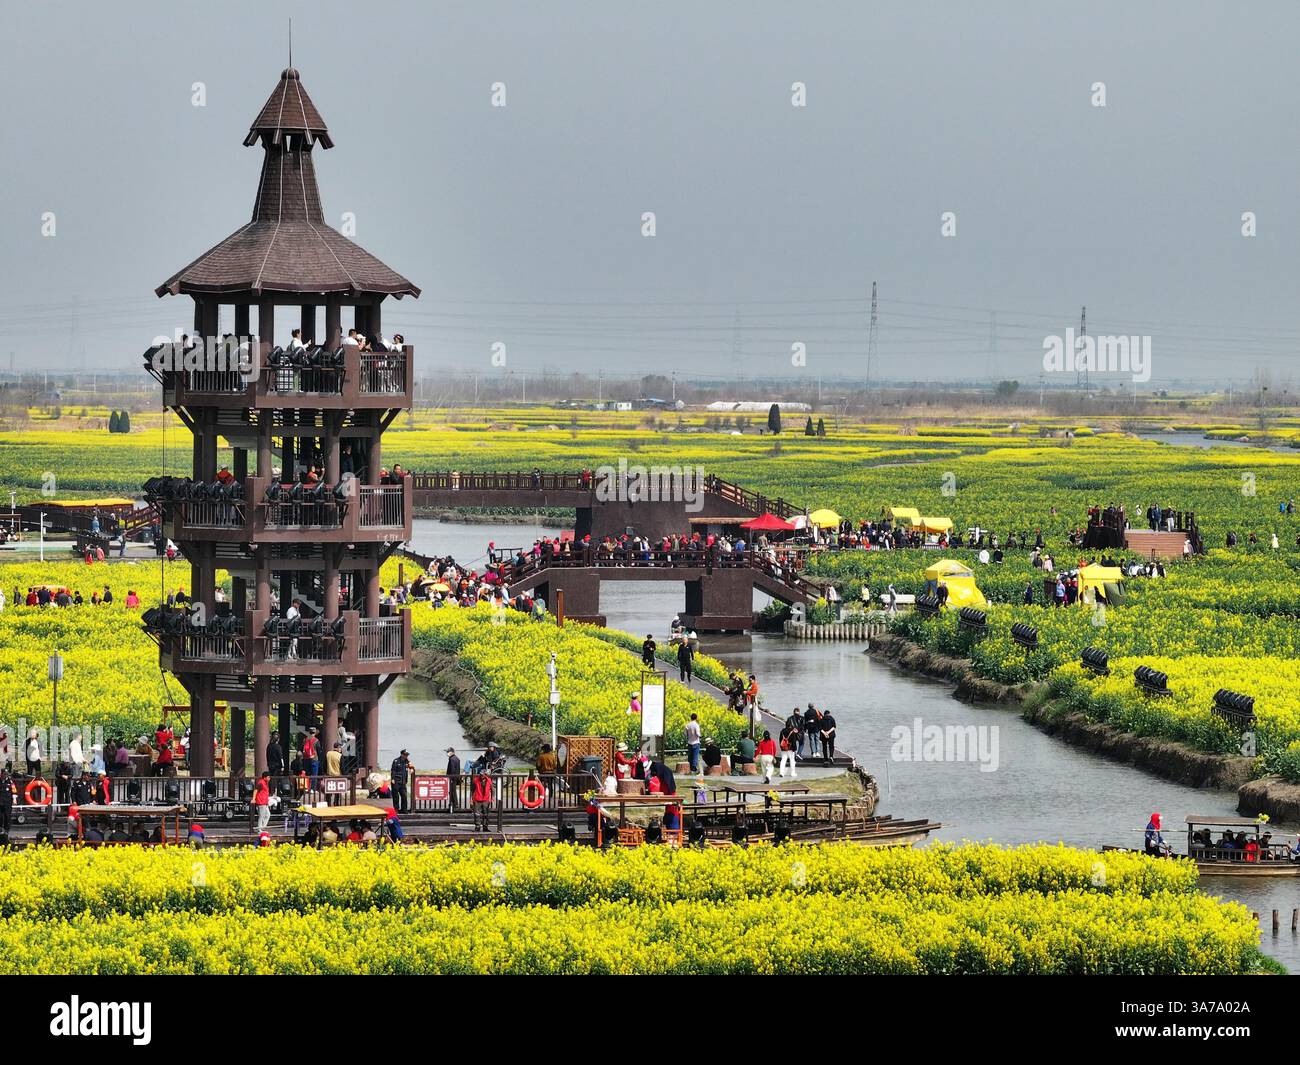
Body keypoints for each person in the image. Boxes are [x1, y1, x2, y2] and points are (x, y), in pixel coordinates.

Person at [390, 749, 411, 813]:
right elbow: (393, 770)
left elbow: (410, 768)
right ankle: (396, 809)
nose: (406, 756)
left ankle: (404, 809)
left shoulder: (407, 762)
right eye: (405, 755)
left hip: (403, 781)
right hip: (396, 781)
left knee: (404, 796)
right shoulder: (396, 761)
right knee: (396, 796)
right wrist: (392, 779)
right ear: (402, 754)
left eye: (407, 755)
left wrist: (412, 769)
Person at [445, 747, 462, 811]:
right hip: (456, 777)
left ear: (452, 752)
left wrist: (450, 777)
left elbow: (452, 769)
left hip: (452, 777)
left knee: (452, 791)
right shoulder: (457, 758)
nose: (447, 753)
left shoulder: (452, 759)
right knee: (453, 791)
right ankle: (455, 804)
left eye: (448, 752)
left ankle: (454, 804)